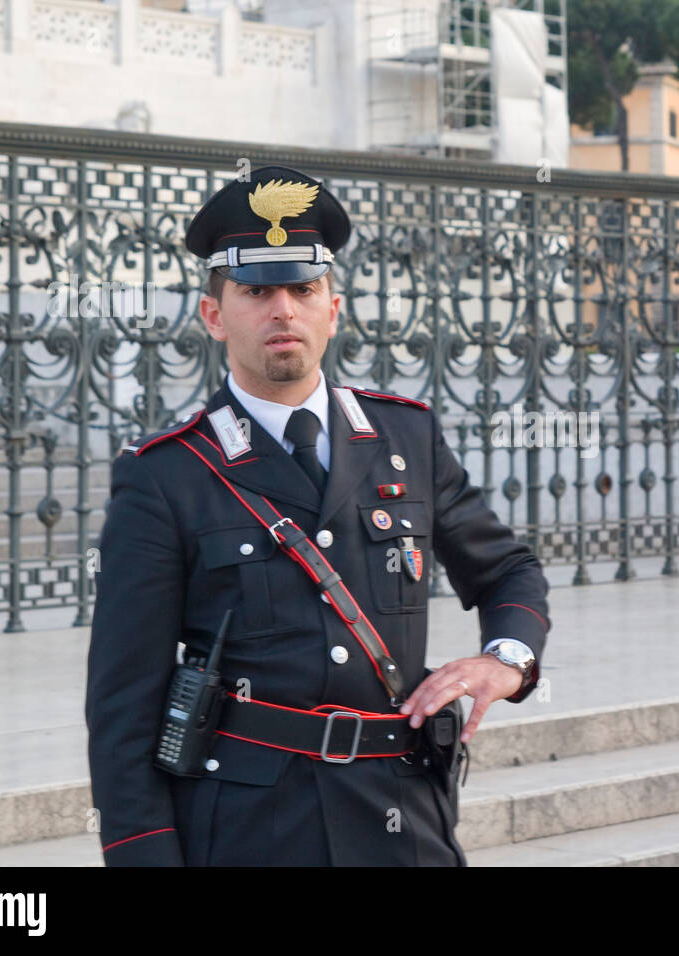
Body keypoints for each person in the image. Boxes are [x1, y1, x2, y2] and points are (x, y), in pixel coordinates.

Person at [86, 165, 549, 866]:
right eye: (256, 291)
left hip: (400, 811)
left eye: (303, 290)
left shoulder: (406, 439)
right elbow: (124, 702)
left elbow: (507, 570)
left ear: (334, 309)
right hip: (248, 824)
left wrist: (506, 660)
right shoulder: (166, 475)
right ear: (214, 316)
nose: (283, 310)